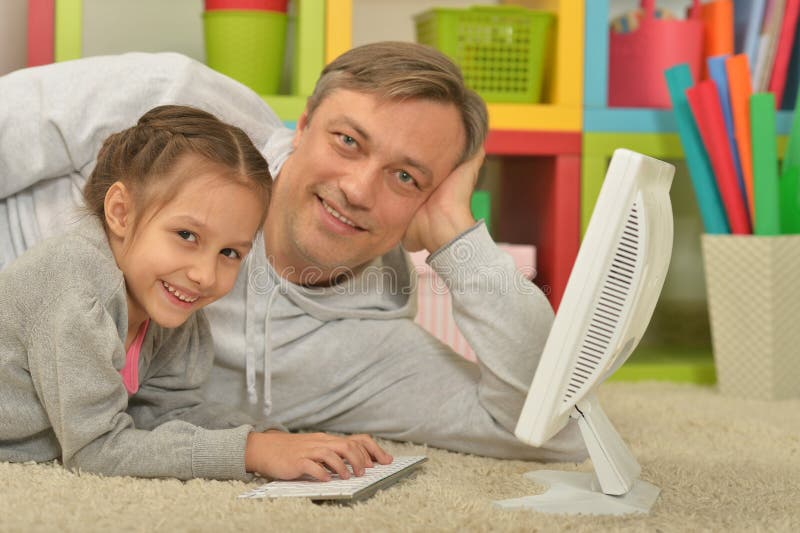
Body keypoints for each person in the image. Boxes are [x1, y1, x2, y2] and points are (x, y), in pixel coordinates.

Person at [0, 42, 585, 462]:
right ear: (302, 126)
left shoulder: (373, 352)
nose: (357, 189)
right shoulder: (176, 98)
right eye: (347, 141)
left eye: (406, 178)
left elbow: (551, 428)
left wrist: (458, 234)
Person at [0, 105, 391, 481]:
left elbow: (169, 411)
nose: (205, 275)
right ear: (120, 211)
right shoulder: (75, 289)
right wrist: (250, 453)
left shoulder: (170, 305)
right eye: (187, 235)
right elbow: (97, 449)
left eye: (229, 253)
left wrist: (279, 441)